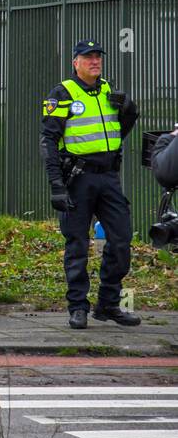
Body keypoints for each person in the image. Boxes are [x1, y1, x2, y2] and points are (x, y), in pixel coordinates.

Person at [41, 39, 141, 329]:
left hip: (109, 177)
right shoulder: (63, 93)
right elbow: (48, 140)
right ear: (76, 62)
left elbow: (120, 130)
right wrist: (57, 185)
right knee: (77, 245)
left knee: (121, 241)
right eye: (88, 57)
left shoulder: (110, 90)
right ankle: (78, 307)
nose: (95, 61)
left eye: (98, 56)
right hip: (78, 178)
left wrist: (130, 110)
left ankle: (108, 305)